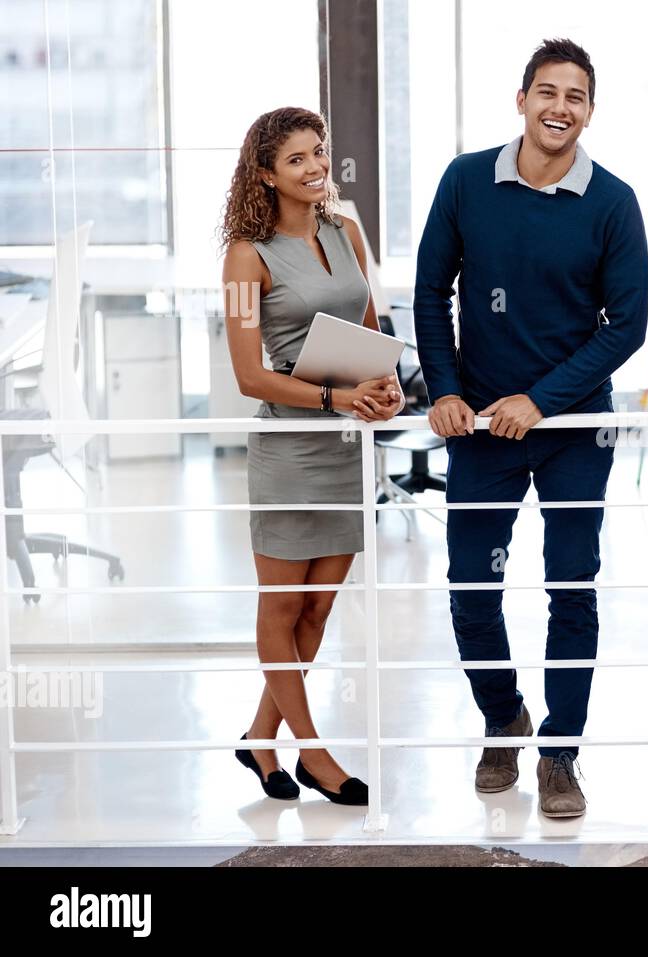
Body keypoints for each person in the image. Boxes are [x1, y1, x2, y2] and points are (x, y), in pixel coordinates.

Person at [414, 39, 648, 817]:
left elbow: (627, 327)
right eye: (546, 91)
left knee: (570, 586)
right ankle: (502, 715)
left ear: (589, 110)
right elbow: (429, 295)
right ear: (521, 99)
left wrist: (541, 400)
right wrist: (445, 390)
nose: (559, 107)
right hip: (480, 427)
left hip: (574, 430)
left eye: (575, 95)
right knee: (471, 588)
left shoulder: (612, 202)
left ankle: (559, 752)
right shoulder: (464, 181)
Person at [220, 106, 404, 805]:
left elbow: (367, 333)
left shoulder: (346, 229)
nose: (316, 166)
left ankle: (261, 737)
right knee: (284, 601)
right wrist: (333, 401)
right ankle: (313, 752)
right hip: (290, 448)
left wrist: (380, 388)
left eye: (319, 152)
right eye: (297, 159)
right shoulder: (246, 255)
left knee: (319, 609)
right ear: (265, 174)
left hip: (345, 447)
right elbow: (250, 375)